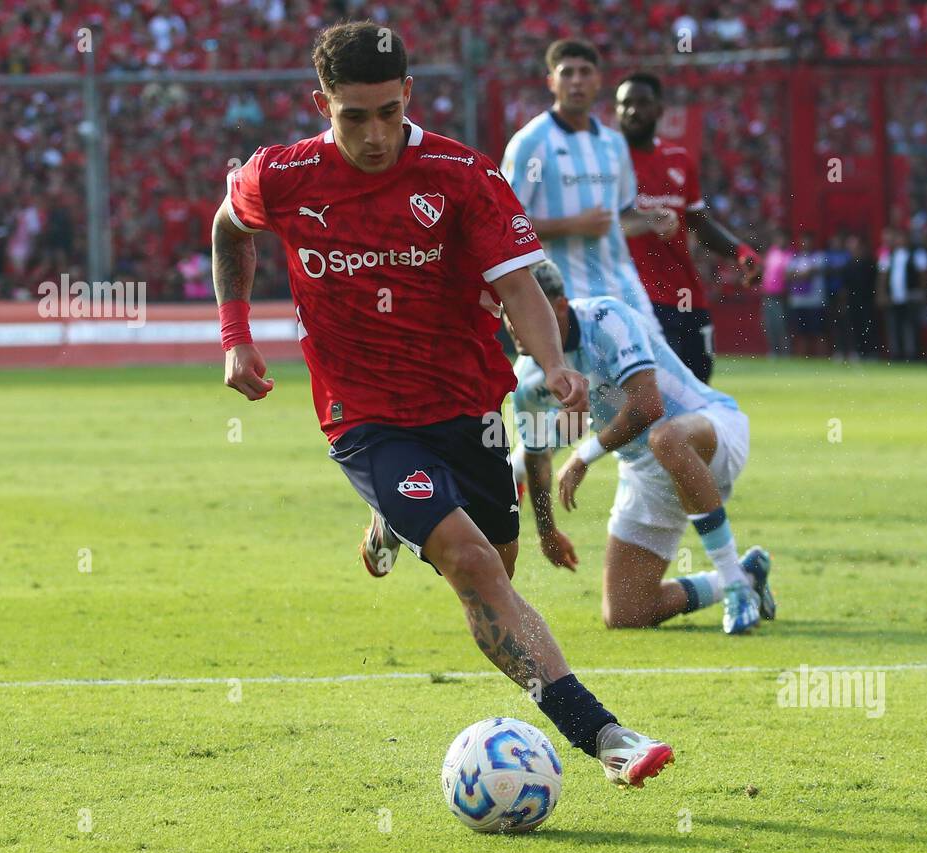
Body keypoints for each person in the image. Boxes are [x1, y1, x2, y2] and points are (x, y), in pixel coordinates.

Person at [212, 22, 674, 788]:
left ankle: (392, 517)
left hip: (465, 405)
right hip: (364, 416)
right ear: (320, 103)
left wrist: (555, 364)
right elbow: (230, 228)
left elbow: (519, 284)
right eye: (353, 116)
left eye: (389, 112)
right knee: (469, 565)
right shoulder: (281, 175)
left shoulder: (461, 174)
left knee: (499, 561)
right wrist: (236, 335)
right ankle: (606, 737)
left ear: (410, 98)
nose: (374, 135)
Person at [508, 260, 776, 636]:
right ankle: (745, 577)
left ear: (561, 306)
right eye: (510, 312)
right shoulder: (526, 381)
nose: (517, 324)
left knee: (665, 437)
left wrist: (583, 456)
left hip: (708, 429)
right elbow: (537, 459)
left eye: (529, 311)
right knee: (626, 613)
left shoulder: (605, 318)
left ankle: (734, 585)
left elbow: (649, 406)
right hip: (643, 469)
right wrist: (547, 532)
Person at [501, 40, 674, 329]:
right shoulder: (531, 143)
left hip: (623, 286)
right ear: (551, 82)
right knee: (570, 374)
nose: (576, 81)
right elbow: (506, 225)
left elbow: (620, 217)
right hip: (563, 292)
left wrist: (652, 219)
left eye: (585, 72)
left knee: (656, 369)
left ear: (598, 81)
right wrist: (573, 225)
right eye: (567, 73)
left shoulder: (613, 143)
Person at [614, 72, 760, 382]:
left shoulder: (679, 159)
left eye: (642, 103)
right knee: (657, 398)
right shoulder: (608, 163)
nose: (632, 111)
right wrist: (648, 220)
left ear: (659, 110)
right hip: (636, 298)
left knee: (698, 391)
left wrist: (740, 252)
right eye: (625, 104)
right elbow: (602, 223)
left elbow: (697, 220)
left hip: (687, 295)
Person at [877, 228, 927, 361]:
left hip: (911, 296)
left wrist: (922, 291)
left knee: (911, 327)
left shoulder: (917, 254)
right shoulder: (888, 255)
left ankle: (911, 354)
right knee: (894, 327)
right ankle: (896, 354)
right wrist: (881, 293)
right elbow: (882, 276)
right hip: (893, 297)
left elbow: (924, 274)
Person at [787, 232, 828, 357]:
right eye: (803, 241)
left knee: (819, 332)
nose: (805, 244)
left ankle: (822, 359)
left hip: (815, 301)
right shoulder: (795, 258)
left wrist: (796, 274)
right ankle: (804, 359)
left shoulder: (819, 256)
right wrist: (800, 275)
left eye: (808, 241)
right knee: (801, 333)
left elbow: (809, 273)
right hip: (798, 301)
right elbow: (787, 275)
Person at [759, 230, 792, 357]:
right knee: (769, 325)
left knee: (781, 326)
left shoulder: (789, 254)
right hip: (767, 295)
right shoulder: (771, 252)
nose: (780, 241)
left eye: (782, 238)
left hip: (781, 296)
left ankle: (785, 353)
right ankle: (773, 351)